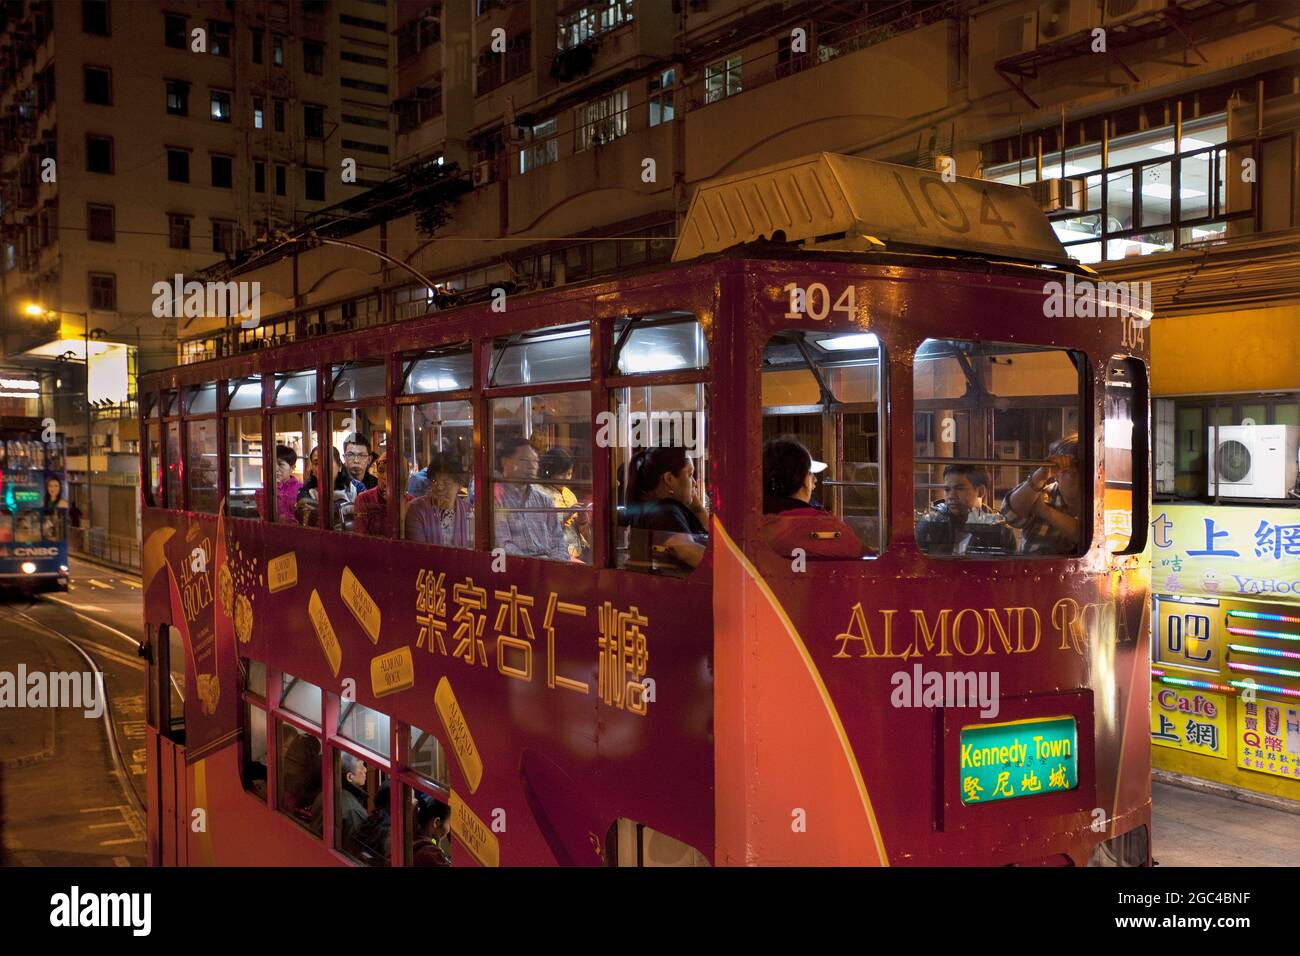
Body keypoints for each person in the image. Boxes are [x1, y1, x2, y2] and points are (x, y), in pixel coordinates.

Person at [760, 437, 864, 559]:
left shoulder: (748, 525)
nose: (815, 480)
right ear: (800, 478)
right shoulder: (827, 528)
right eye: (810, 474)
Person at [624, 446, 709, 569]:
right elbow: (682, 548)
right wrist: (727, 564)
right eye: (690, 475)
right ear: (669, 479)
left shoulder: (650, 508)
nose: (694, 482)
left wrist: (697, 507)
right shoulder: (666, 512)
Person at [1000, 434, 1083, 555]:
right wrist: (1041, 474)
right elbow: (1010, 517)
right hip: (1034, 572)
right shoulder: (1041, 494)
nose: (1083, 479)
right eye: (1074, 473)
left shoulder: (1102, 503)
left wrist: (1043, 510)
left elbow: (1088, 536)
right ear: (1057, 475)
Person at [493, 437, 570, 562]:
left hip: (549, 566)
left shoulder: (544, 500)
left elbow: (558, 540)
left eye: (535, 461)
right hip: (518, 569)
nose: (532, 466)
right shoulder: (496, 499)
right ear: (505, 462)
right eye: (524, 460)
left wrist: (557, 564)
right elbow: (503, 545)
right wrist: (535, 565)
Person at [915, 463, 1015, 555]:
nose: (951, 496)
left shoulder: (998, 529)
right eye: (947, 489)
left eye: (959, 489)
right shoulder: (932, 522)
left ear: (980, 491)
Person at [405, 452, 474, 547]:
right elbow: (419, 553)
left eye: (446, 482)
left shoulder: (469, 512)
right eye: (434, 481)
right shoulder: (417, 510)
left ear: (459, 484)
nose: (439, 487)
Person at [540, 447, 590, 562]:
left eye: (569, 474)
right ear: (549, 472)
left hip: (576, 554)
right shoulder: (538, 493)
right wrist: (567, 514)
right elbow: (541, 529)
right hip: (554, 558)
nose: (567, 479)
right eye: (562, 474)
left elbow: (581, 533)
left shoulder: (569, 494)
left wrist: (582, 520)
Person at [353, 452, 414, 537]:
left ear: (404, 475)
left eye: (393, 471)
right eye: (381, 471)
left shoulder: (412, 503)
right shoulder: (364, 500)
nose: (385, 477)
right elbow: (361, 539)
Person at [337, 753, 369, 848]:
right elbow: (354, 849)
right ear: (350, 777)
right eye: (361, 766)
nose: (365, 770)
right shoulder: (354, 811)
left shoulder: (327, 793)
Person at [411, 793, 452, 867]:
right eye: (449, 823)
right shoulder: (431, 855)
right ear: (436, 822)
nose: (449, 829)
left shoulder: (415, 836)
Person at [273, 445, 302, 525]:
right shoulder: (265, 490)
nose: (275, 468)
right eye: (272, 463)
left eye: (280, 464)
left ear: (292, 467)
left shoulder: (301, 490)